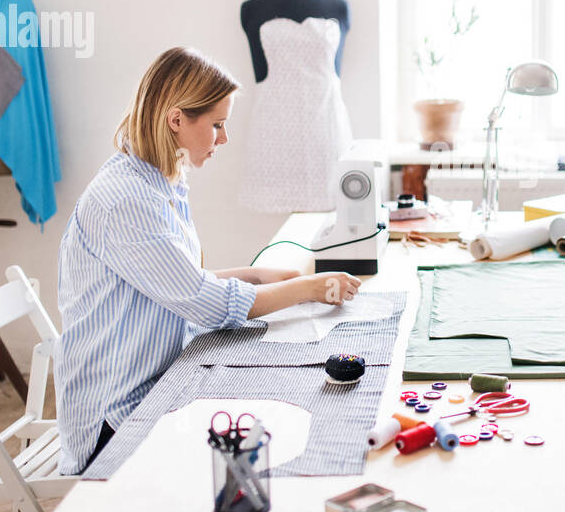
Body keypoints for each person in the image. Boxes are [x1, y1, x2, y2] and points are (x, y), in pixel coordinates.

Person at [56, 46, 360, 474]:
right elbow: (206, 302)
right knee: (263, 430)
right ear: (176, 119)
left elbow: (177, 282)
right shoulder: (127, 201)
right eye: (217, 124)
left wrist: (256, 275)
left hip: (156, 376)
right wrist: (304, 289)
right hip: (115, 417)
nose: (223, 138)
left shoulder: (159, 179)